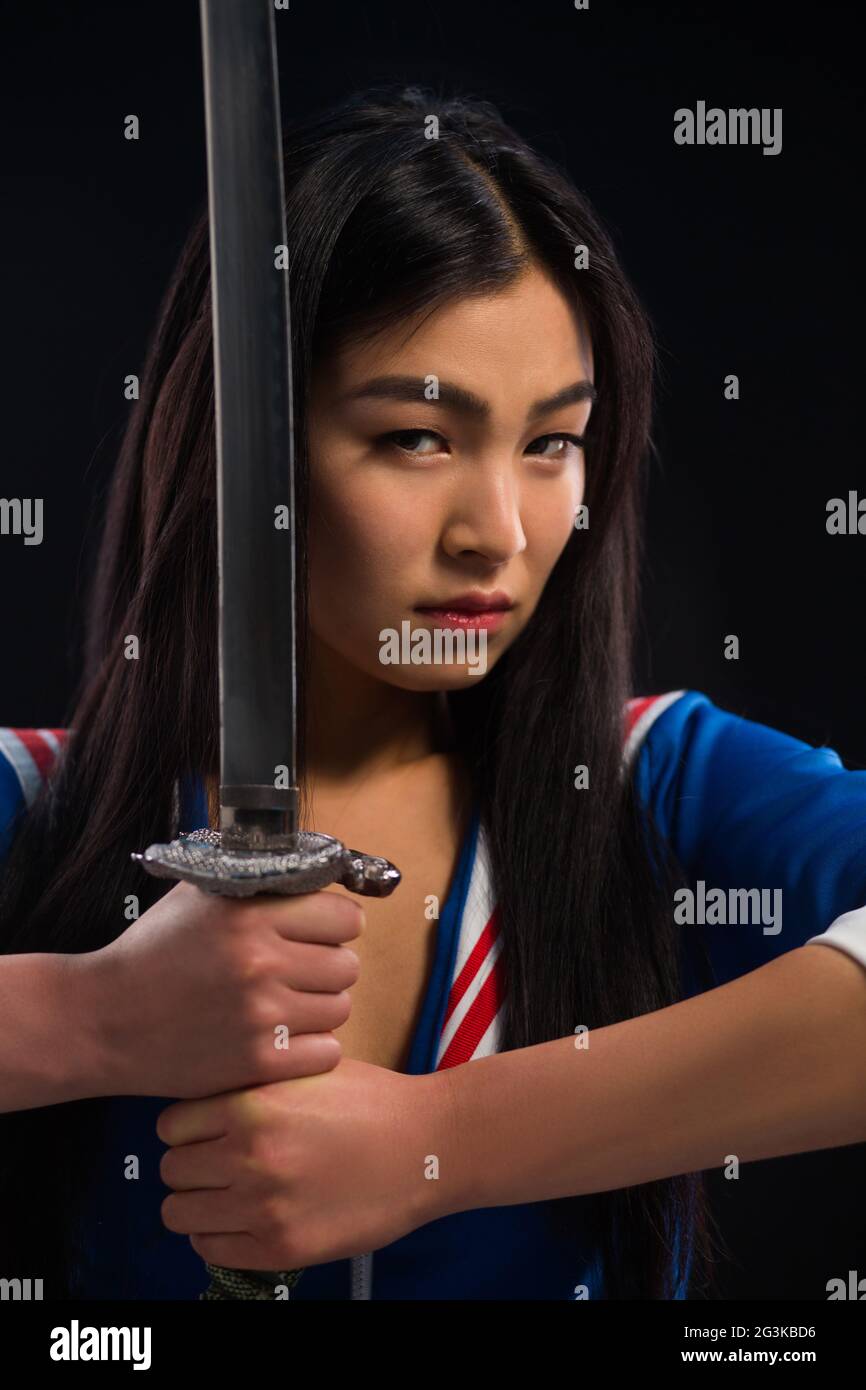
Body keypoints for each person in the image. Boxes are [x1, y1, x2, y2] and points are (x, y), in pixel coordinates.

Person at [1, 84, 865, 1302]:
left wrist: (443, 1140)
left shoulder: (664, 783)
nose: (497, 532)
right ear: (240, 448)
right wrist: (86, 1018)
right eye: (416, 436)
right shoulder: (34, 806)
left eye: (550, 441)